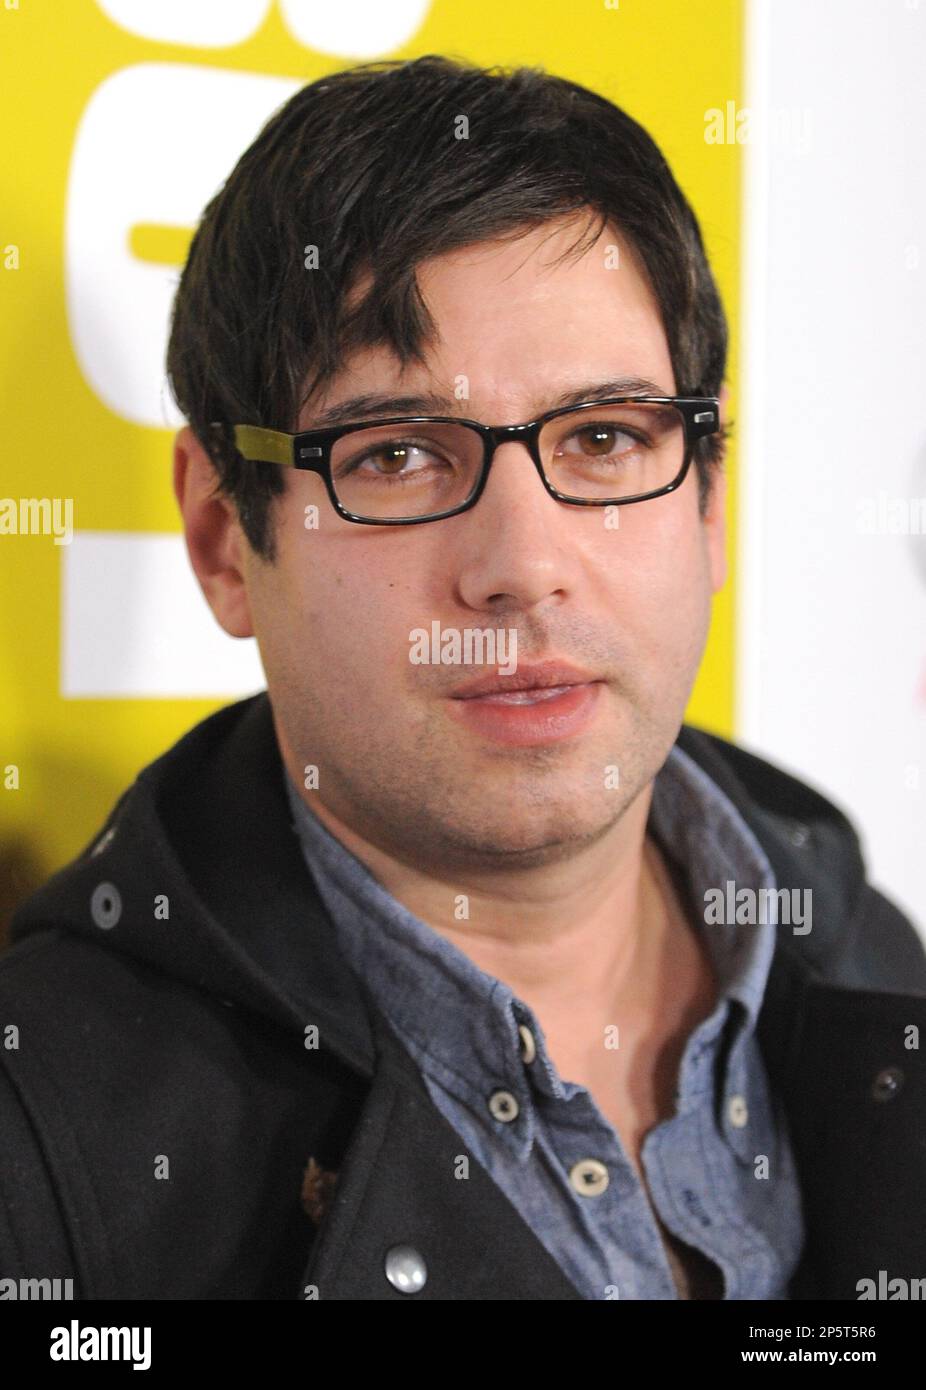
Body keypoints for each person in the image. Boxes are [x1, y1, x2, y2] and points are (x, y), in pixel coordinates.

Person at [2, 54, 924, 1303]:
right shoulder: (47, 1151)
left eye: (602, 438)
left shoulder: (863, 955)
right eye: (394, 456)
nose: (522, 567)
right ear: (224, 538)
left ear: (707, 500)